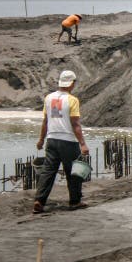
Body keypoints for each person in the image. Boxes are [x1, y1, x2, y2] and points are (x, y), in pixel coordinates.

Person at [32, 70, 90, 214]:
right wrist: (82, 143)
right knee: (74, 173)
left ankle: (39, 200)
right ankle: (75, 201)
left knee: (48, 171)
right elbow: (75, 124)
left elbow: (45, 122)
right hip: (68, 141)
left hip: (51, 140)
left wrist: (41, 140)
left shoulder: (48, 98)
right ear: (71, 83)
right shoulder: (72, 100)